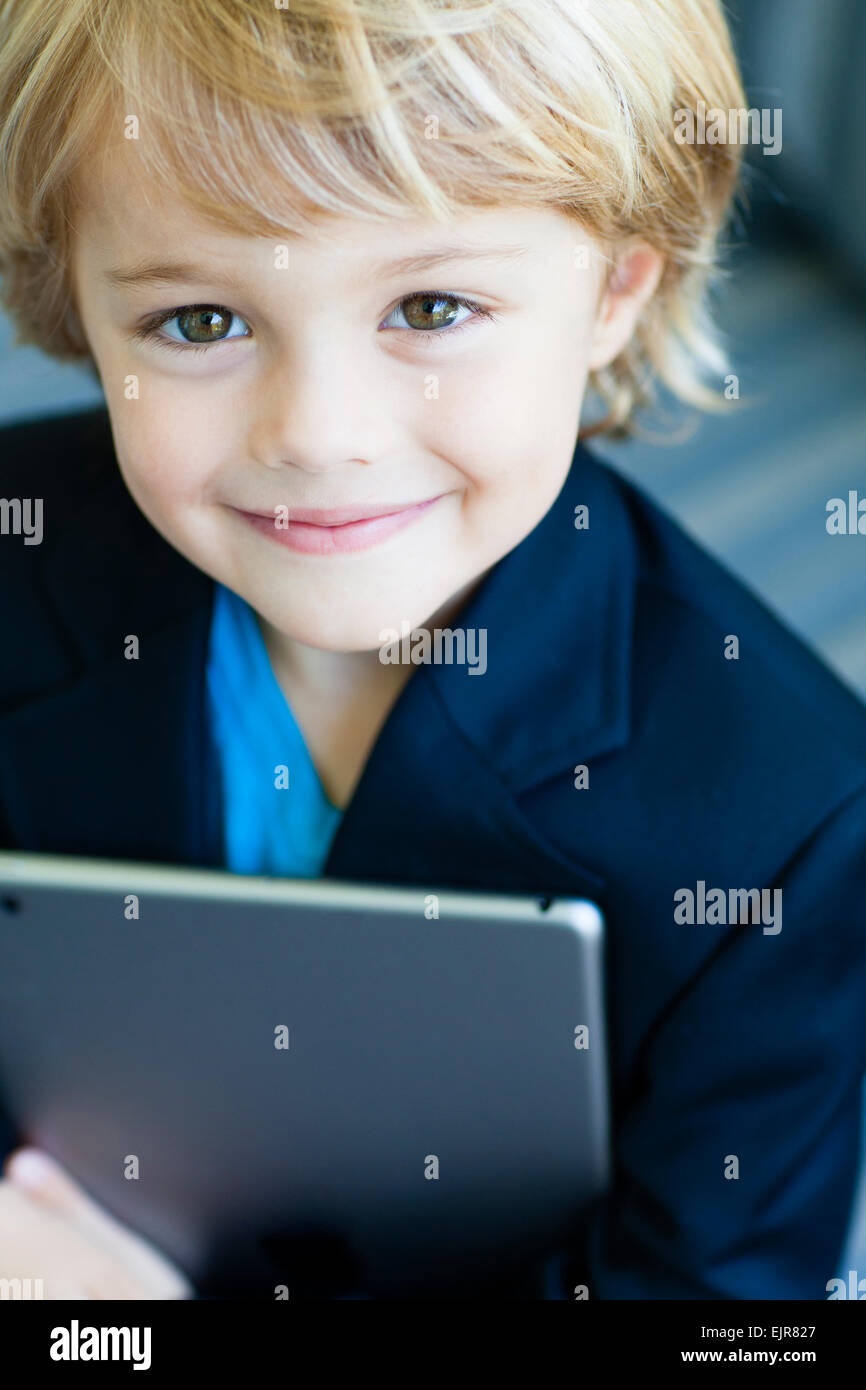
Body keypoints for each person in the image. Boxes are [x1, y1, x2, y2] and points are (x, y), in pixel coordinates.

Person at [0, 0, 864, 1299]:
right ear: (79, 296)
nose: (318, 433)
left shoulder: (787, 819)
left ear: (612, 292)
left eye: (431, 304)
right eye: (198, 323)